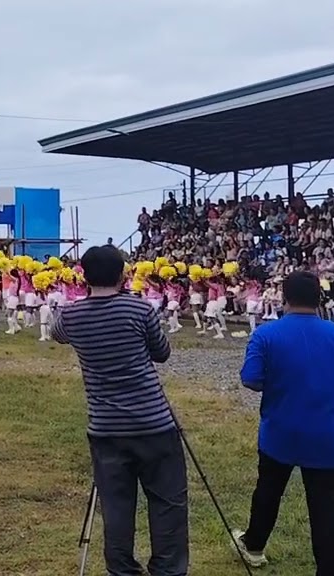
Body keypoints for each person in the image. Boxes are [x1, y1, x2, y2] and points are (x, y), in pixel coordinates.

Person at [53, 244, 188, 576]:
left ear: (83, 275)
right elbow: (162, 353)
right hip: (153, 422)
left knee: (116, 506)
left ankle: (122, 569)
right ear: (122, 274)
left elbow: (58, 334)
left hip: (106, 428)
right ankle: (168, 570)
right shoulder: (139, 309)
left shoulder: (71, 315)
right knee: (168, 503)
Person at [233, 271, 334, 576]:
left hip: (279, 430)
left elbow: (251, 379)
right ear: (320, 299)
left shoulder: (266, 335)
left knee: (268, 490)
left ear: (284, 298)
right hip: (324, 433)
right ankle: (328, 570)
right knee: (324, 506)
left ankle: (254, 546)